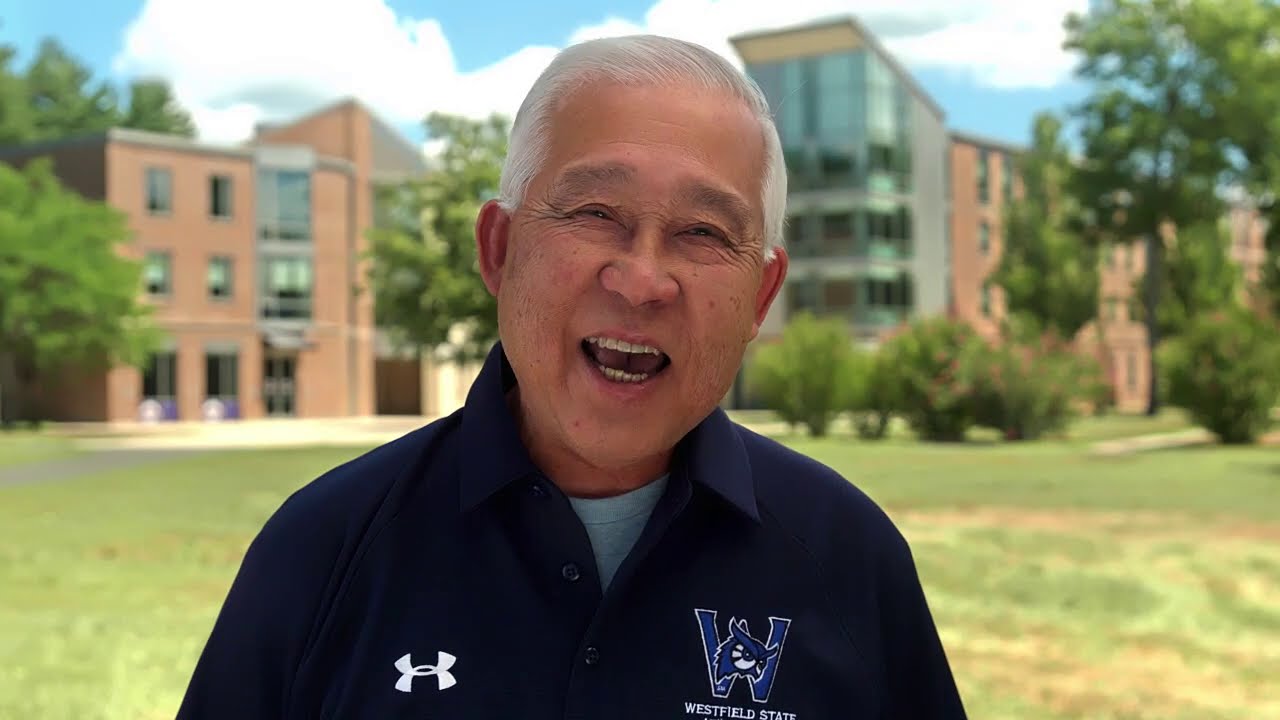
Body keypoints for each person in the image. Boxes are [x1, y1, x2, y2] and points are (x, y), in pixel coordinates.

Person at [176, 34, 967, 719]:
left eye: (702, 231)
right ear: (499, 250)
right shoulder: (323, 551)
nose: (642, 279)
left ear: (760, 295)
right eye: (595, 213)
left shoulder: (849, 562)